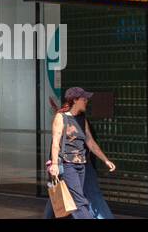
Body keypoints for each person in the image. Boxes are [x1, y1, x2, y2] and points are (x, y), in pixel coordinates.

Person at [47, 87, 116, 219]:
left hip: (81, 165)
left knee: (74, 200)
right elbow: (55, 143)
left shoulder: (82, 119)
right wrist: (55, 164)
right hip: (68, 165)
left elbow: (90, 142)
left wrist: (106, 160)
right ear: (75, 100)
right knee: (79, 201)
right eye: (84, 99)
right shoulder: (60, 118)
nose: (86, 102)